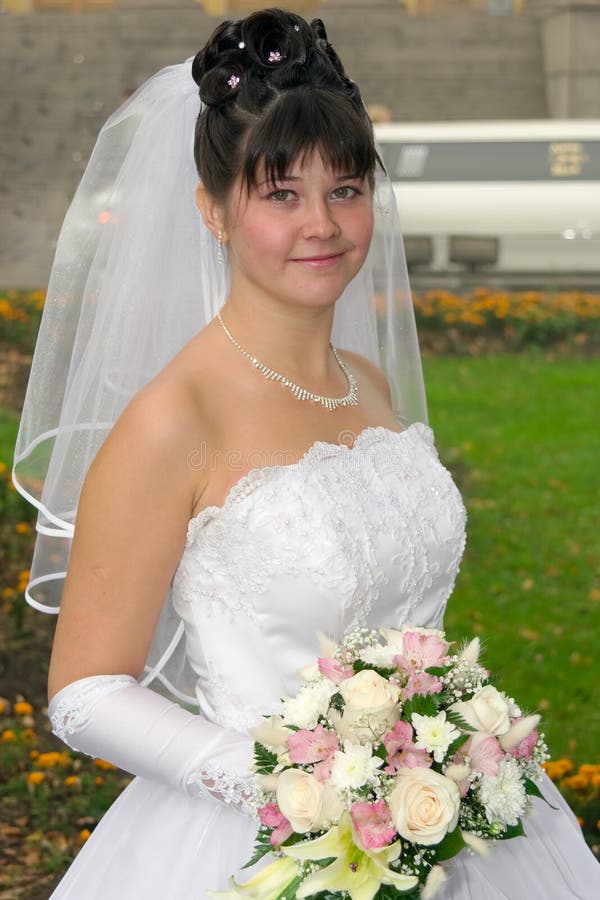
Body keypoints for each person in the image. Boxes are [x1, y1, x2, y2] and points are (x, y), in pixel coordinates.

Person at [12, 8, 600, 899]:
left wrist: (436, 757)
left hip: (448, 815)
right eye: (281, 193)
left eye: (347, 188)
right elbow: (85, 691)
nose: (322, 224)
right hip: (262, 842)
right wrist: (303, 790)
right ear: (213, 210)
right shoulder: (174, 419)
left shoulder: (366, 380)